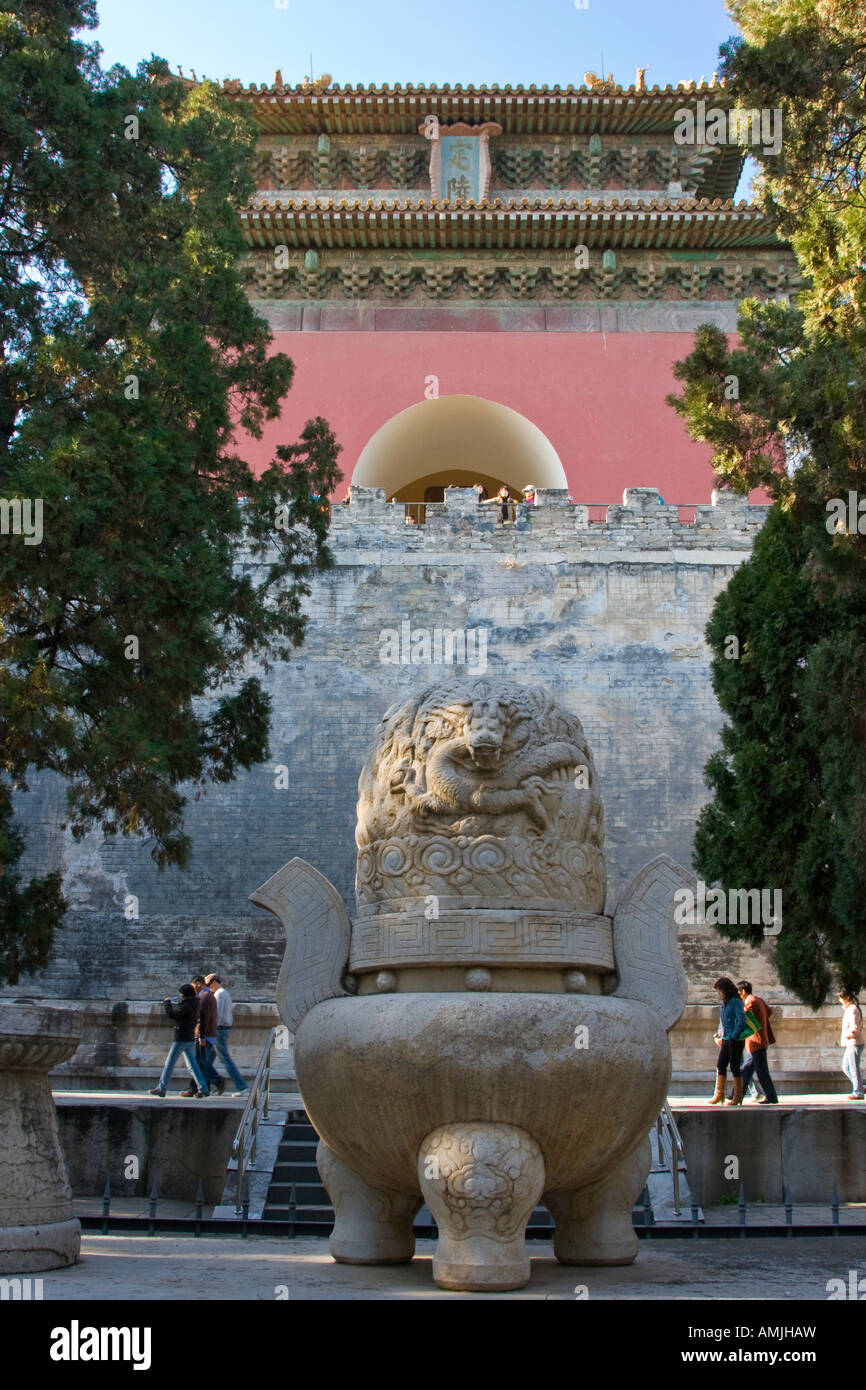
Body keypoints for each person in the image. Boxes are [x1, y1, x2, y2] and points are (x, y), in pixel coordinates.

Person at [150, 984, 210, 1098]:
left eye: (181, 994)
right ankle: (203, 1088)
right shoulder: (194, 1004)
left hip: (181, 1038)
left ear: (185, 995)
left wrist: (167, 1004)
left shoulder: (187, 1006)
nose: (180, 996)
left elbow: (173, 1014)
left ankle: (161, 1088)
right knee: (192, 1065)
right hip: (189, 1038)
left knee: (169, 1063)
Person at [205, 973, 248, 1096]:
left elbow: (216, 1015)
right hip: (221, 1029)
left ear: (214, 982)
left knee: (225, 1059)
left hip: (217, 1030)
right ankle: (213, 1084)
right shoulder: (224, 993)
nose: (208, 988)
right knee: (207, 1061)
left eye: (209, 985)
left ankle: (242, 1086)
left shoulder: (219, 994)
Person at [737, 980, 779, 1104]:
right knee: (748, 1070)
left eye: (739, 993)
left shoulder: (750, 1002)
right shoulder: (758, 1000)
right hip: (760, 1041)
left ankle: (738, 1095)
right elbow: (769, 1011)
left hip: (756, 1042)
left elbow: (744, 1020)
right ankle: (738, 1095)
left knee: (759, 1071)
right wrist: (761, 1023)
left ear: (743, 992)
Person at [708, 976, 746, 1106]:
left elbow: (741, 1020)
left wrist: (734, 1035)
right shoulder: (725, 1004)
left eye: (720, 991)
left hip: (735, 1039)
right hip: (725, 1038)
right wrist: (719, 1034)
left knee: (735, 1066)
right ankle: (719, 1094)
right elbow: (723, 1022)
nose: (719, 994)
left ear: (726, 990)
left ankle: (738, 1096)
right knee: (721, 1065)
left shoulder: (736, 1002)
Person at [186, 975, 225, 1096]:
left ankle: (215, 1081)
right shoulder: (208, 995)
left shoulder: (204, 996)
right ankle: (200, 1088)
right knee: (200, 1062)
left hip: (204, 1034)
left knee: (199, 1063)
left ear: (198, 983)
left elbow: (203, 1018)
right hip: (207, 1034)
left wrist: (201, 1036)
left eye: (193, 986)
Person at [838, 990, 864, 1099]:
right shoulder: (849, 1009)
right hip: (851, 1043)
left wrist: (849, 1034)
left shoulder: (852, 1009)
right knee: (846, 1066)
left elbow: (855, 1026)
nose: (839, 1001)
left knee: (853, 1068)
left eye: (841, 998)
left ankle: (858, 1092)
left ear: (846, 998)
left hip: (854, 1042)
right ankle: (860, 1086)